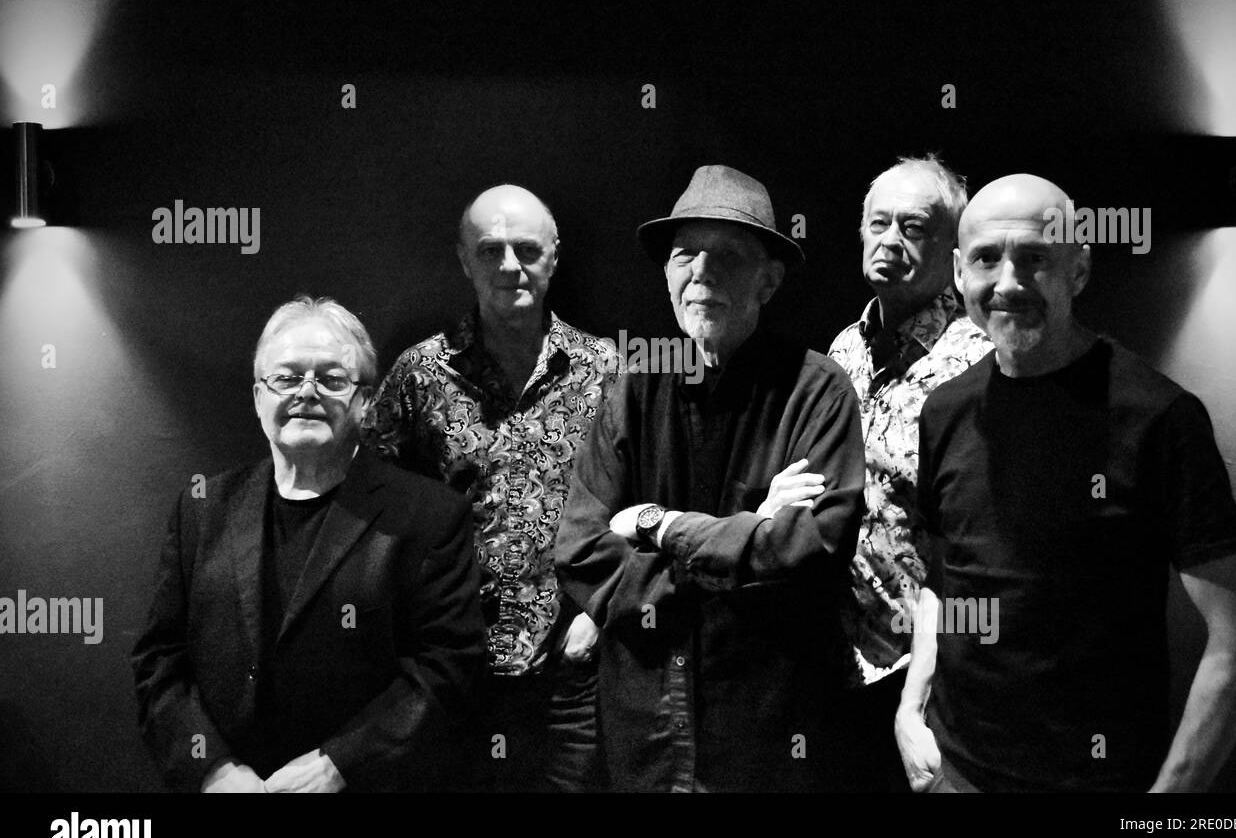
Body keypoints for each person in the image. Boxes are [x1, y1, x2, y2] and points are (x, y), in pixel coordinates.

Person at [895, 174, 1236, 792]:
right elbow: (946, 579)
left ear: (1078, 269)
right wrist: (911, 709)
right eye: (988, 259)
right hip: (956, 774)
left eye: (1035, 258)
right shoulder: (945, 410)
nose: (1010, 282)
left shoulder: (1158, 417)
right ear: (960, 273)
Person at [556, 164, 865, 792]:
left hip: (770, 728)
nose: (701, 273)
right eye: (684, 255)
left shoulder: (816, 389)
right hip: (646, 727)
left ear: (770, 280)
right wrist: (747, 536)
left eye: (726, 254)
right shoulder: (634, 384)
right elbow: (583, 552)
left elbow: (810, 551)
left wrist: (656, 525)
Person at [132, 296, 486, 792]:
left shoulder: (429, 516)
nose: (307, 392)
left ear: (364, 400)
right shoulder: (203, 508)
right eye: (286, 377)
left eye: (332, 379)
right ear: (258, 397)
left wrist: (339, 765)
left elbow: (448, 668)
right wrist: (212, 770)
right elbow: (160, 662)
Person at [363, 185, 619, 791]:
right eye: (490, 249)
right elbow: (368, 503)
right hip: (450, 675)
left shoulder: (606, 369)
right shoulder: (421, 374)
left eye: (526, 248)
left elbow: (647, 498)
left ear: (554, 256)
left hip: (571, 675)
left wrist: (601, 615)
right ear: (463, 259)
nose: (510, 265)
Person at [827, 154, 991, 792]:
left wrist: (922, 690)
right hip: (842, 657)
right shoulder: (843, 349)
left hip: (937, 669)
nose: (890, 241)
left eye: (915, 227)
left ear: (952, 248)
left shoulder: (979, 360)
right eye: (878, 223)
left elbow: (976, 535)